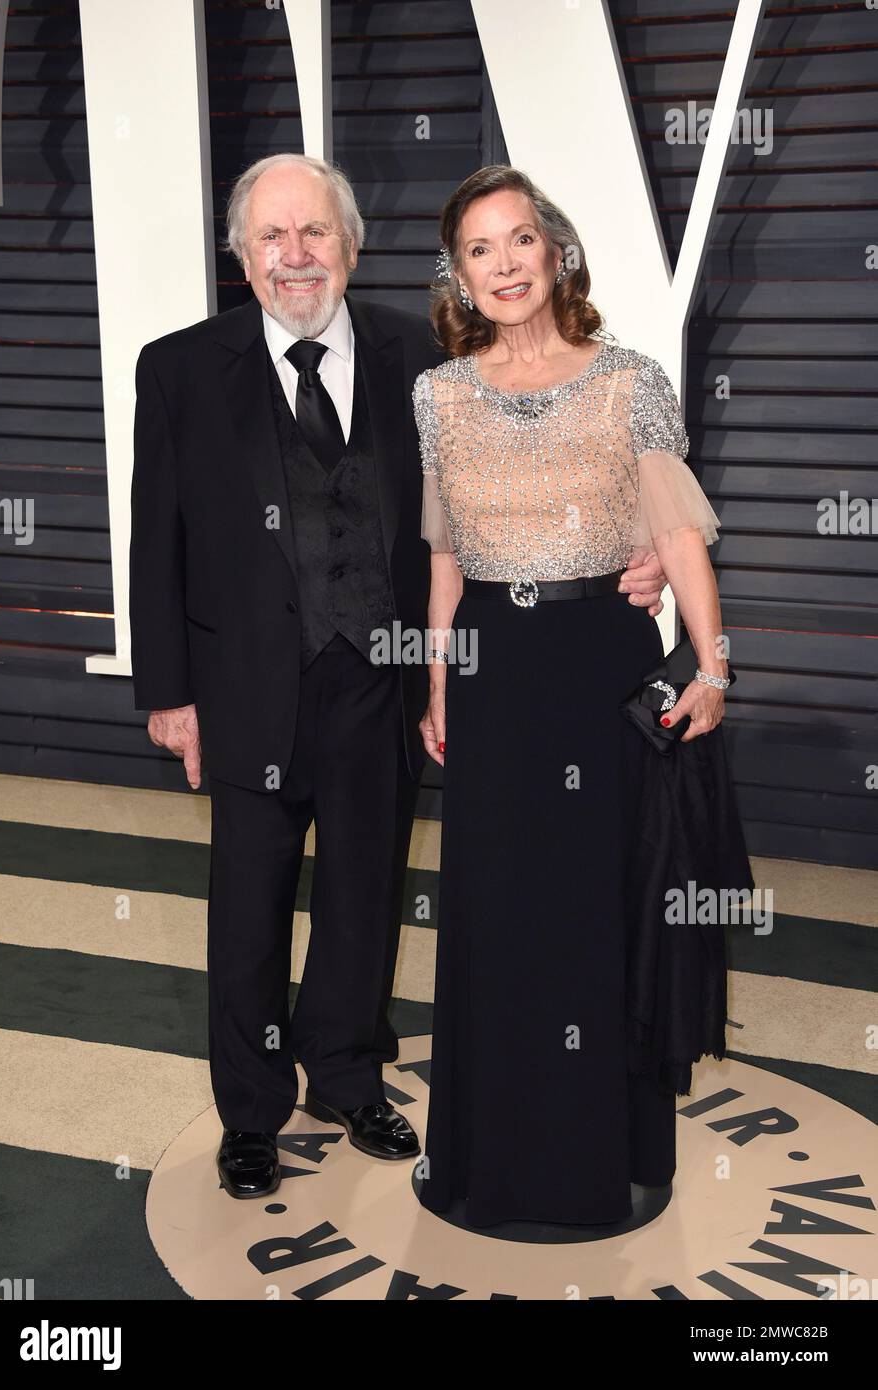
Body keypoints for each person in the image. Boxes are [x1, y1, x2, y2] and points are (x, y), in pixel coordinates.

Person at [129, 153, 669, 1203]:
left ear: (351, 245)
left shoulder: (417, 357)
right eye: (273, 238)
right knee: (246, 905)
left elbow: (516, 487)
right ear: (242, 257)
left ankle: (344, 1073)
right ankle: (251, 1111)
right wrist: (169, 692)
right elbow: (157, 540)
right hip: (244, 688)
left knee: (365, 896)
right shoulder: (180, 368)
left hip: (377, 680)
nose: (296, 256)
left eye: (314, 233)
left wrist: (636, 552)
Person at [412, 165, 727, 1228]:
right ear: (455, 275)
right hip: (492, 672)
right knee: (495, 912)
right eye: (477, 251)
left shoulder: (628, 378)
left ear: (556, 251)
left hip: (598, 663)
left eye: (518, 242)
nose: (502, 265)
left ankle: (604, 1155)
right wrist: (436, 676)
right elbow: (444, 552)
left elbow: (676, 531)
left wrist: (711, 662)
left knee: (597, 911)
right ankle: (489, 1157)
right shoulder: (439, 394)